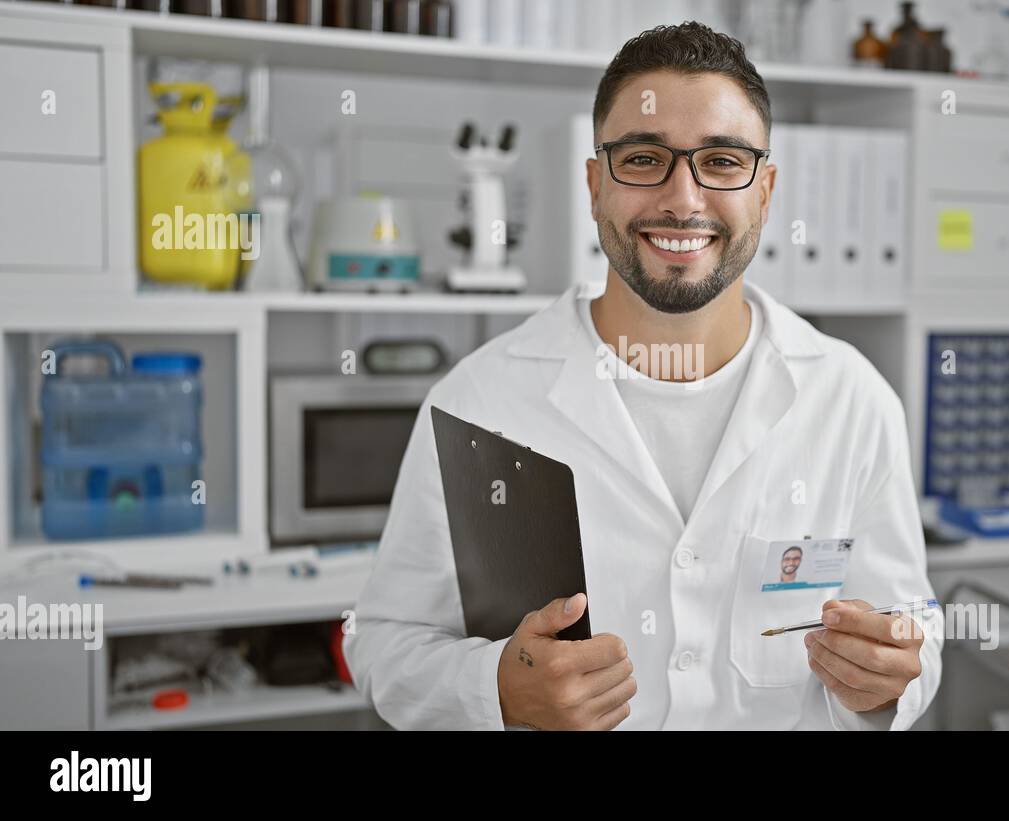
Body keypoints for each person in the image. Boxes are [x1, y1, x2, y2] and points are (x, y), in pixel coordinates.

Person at [344, 21, 942, 731]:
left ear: (766, 190)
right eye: (643, 158)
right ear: (596, 184)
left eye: (721, 161)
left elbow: (913, 632)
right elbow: (382, 641)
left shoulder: (853, 399)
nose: (683, 199)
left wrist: (887, 676)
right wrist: (493, 688)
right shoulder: (478, 401)